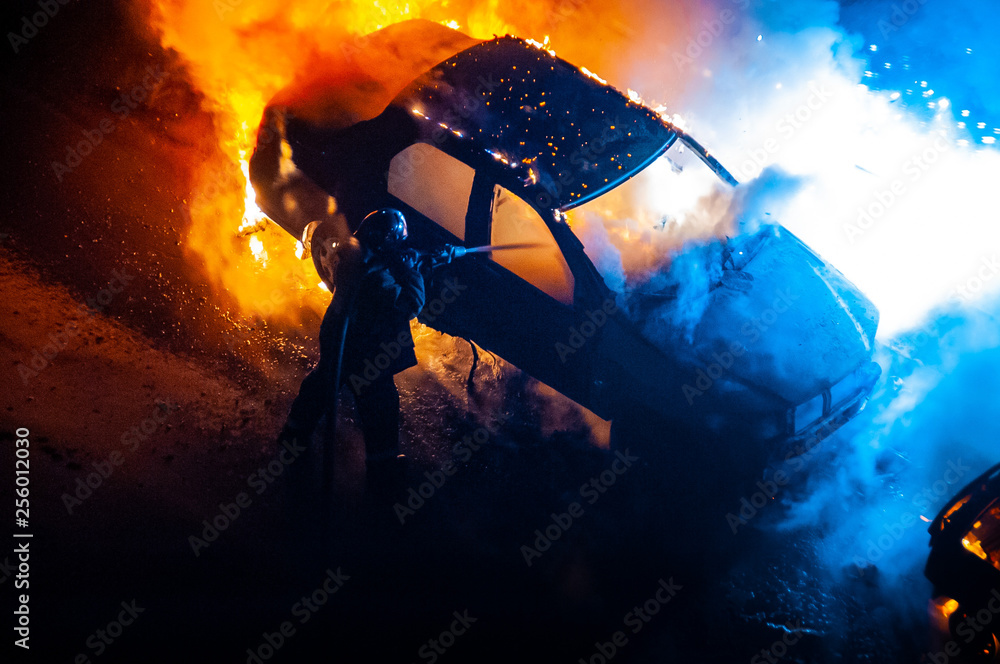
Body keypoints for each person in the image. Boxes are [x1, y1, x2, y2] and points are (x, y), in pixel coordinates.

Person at [280, 208, 425, 497]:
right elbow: (411, 304)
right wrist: (409, 270)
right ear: (386, 242)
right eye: (397, 243)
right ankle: (382, 469)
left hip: (339, 337)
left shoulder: (353, 254)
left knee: (322, 383)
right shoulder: (377, 275)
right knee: (380, 404)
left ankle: (293, 435)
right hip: (366, 350)